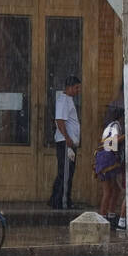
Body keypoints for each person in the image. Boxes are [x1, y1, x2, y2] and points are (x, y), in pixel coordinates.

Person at [49, 75, 82, 209]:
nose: (78, 90)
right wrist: (68, 138)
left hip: (68, 142)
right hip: (65, 143)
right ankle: (63, 202)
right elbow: (60, 121)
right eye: (76, 88)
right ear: (69, 87)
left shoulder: (68, 100)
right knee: (66, 173)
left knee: (66, 172)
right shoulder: (63, 101)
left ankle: (55, 199)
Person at [95, 104, 125, 230]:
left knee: (115, 190)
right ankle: (102, 219)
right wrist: (127, 135)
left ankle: (111, 216)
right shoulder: (114, 126)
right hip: (107, 160)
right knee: (108, 192)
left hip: (108, 160)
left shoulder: (111, 126)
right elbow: (110, 143)